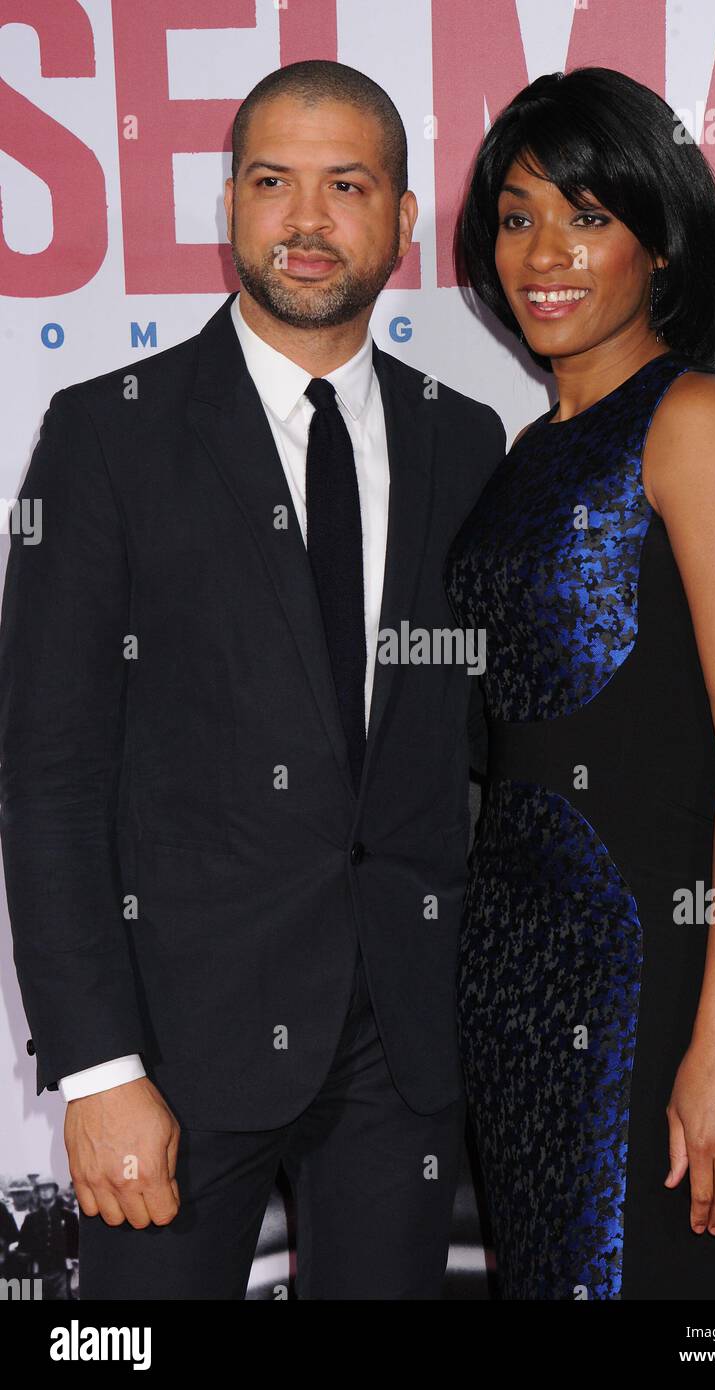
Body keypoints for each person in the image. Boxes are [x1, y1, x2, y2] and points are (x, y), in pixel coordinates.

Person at [0, 60, 504, 1300]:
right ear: (228, 204)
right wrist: (99, 1071)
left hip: (402, 1055)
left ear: (398, 220)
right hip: (171, 1056)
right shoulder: (106, 432)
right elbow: (48, 772)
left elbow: (468, 756)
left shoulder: (466, 439)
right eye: (273, 182)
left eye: (348, 185)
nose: (308, 220)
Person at [444, 66, 715, 1299]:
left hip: (665, 949)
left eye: (588, 215)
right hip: (518, 954)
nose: (543, 252)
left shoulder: (697, 416)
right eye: (515, 215)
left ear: (660, 245)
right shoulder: (525, 453)